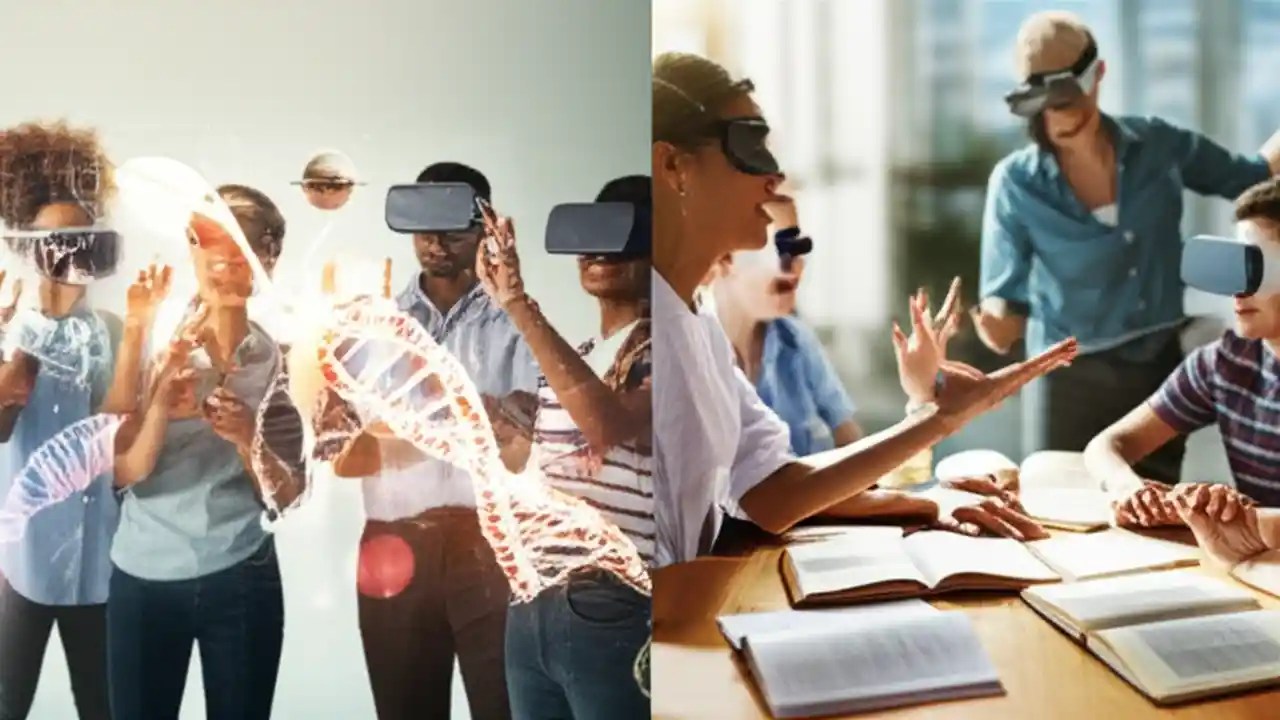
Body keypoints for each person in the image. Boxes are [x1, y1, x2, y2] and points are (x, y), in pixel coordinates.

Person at [650, 51, 1078, 568]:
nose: (773, 176)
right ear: (673, 165)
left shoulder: (699, 323)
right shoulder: (635, 331)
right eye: (749, 145)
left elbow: (773, 491)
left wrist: (940, 422)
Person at [974, 11, 1280, 482]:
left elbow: (1252, 176)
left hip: (1156, 369)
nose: (1058, 114)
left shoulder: (1159, 145)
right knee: (1062, 504)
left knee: (1151, 506)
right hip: (1068, 379)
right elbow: (1003, 304)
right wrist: (994, 323)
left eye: (1068, 97)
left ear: (1097, 77)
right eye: (1044, 102)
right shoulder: (1015, 183)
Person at [330, 162, 537, 720]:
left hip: (490, 543)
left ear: (486, 227)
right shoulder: (372, 325)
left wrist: (407, 421)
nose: (435, 239)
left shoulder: (517, 323)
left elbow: (519, 455)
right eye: (423, 221)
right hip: (391, 543)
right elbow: (346, 460)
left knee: (504, 707)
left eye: (452, 222)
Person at [105, 200, 306, 720]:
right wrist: (158, 405)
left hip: (242, 576)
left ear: (269, 256)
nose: (223, 259)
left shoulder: (282, 360)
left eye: (241, 244)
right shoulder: (153, 339)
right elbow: (119, 469)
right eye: (207, 241)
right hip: (143, 576)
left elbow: (287, 495)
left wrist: (247, 441)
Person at [474, 174, 652, 718]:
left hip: (612, 603)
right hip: (532, 600)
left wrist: (517, 303)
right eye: (592, 230)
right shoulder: (578, 353)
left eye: (625, 231)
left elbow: (606, 425)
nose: (598, 248)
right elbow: (535, 465)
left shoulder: (667, 346)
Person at [0, 121, 119, 720]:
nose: (66, 254)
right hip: (20, 566)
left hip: (103, 567)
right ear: (29, 247)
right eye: (52, 242)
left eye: (79, 240)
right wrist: (34, 323)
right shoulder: (6, 325)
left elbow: (125, 445)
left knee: (105, 707)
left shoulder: (118, 331)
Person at [1086, 177, 1280, 526]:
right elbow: (1107, 445)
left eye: (1257, 267)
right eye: (1235, 263)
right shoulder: (1224, 363)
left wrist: (1236, 517)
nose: (1237, 287)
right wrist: (1127, 488)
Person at [706, 206, 865, 454]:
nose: (794, 268)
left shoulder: (796, 340)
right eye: (776, 250)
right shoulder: (688, 355)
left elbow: (850, 442)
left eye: (798, 249)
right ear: (724, 259)